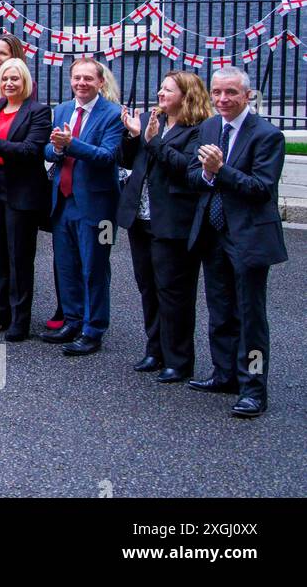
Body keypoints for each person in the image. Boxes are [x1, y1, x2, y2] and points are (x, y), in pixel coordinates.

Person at [186, 67, 287, 418]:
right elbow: (192, 174)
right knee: (219, 309)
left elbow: (261, 188)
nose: (223, 99)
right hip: (213, 234)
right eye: (217, 92)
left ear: (248, 96)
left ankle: (253, 389)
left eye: (231, 92)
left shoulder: (267, 135)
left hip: (248, 236)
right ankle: (224, 373)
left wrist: (220, 169)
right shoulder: (210, 126)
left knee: (250, 316)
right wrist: (206, 172)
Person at [116, 70, 210, 380]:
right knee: (148, 288)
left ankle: (179, 360)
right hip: (140, 217)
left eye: (168, 90)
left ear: (186, 95)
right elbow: (127, 160)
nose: (160, 94)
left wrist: (154, 142)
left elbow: (186, 170)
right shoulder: (149, 121)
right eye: (160, 89)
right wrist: (131, 136)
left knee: (174, 292)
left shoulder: (197, 130)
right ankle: (154, 350)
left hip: (171, 220)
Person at [41, 58, 124, 355]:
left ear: (100, 82)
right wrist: (59, 147)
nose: (81, 83)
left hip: (97, 206)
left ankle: (93, 328)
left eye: (88, 78)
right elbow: (49, 149)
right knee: (67, 266)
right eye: (77, 78)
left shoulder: (113, 115)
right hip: (63, 201)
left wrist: (71, 143)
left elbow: (107, 156)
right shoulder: (62, 110)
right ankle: (72, 320)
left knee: (94, 268)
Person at [0, 57, 52, 341]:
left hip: (21, 190)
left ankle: (20, 318)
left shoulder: (38, 112)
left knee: (19, 257)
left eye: (15, 78)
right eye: (4, 78)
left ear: (25, 81)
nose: (9, 83)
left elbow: (30, 150)